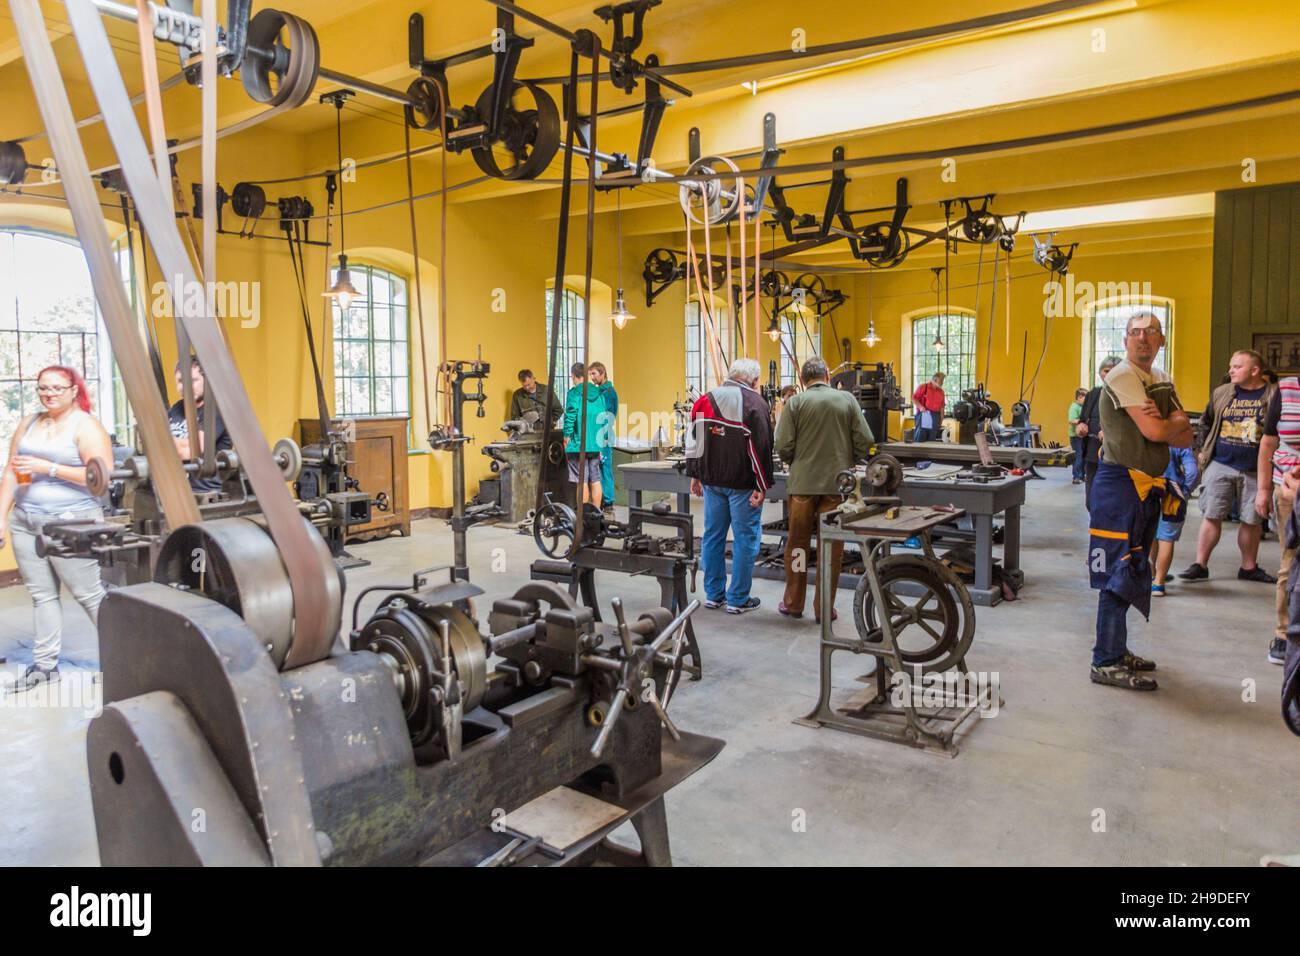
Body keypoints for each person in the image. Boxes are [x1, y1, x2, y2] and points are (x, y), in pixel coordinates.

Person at [1087, 311, 1193, 691]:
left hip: (1148, 485)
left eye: (1151, 332)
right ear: (1125, 340)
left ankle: (1116, 647)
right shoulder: (1123, 376)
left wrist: (1172, 426)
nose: (1143, 339)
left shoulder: (1160, 379)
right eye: (1135, 333)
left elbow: (1186, 438)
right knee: (1116, 573)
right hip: (1120, 486)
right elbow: (1156, 428)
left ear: (1162, 340)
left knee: (1133, 570)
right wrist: (1170, 423)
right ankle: (1105, 660)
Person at [0, 366, 113, 689]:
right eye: (42, 388)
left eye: (56, 388)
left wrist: (48, 467)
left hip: (71, 522)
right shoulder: (29, 423)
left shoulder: (86, 427)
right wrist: (2, 515)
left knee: (89, 594)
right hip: (26, 520)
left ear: (74, 389)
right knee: (42, 595)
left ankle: (119, 664)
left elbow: (99, 479)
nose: (48, 394)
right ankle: (45, 666)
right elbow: (12, 470)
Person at [775, 356, 875, 621]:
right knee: (831, 548)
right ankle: (824, 608)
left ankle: (793, 603)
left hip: (802, 487)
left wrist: (797, 461)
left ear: (803, 380)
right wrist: (847, 459)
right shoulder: (847, 400)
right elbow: (866, 440)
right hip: (836, 485)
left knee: (797, 546)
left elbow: (782, 446)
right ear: (828, 376)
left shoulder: (794, 403)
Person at [1178, 349, 1277, 583]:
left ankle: (1248, 567)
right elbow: (1205, 422)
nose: (1231, 370)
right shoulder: (1223, 392)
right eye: (1231, 366)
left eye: (1237, 367)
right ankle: (1200, 564)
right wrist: (1202, 450)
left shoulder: (1274, 395)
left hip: (1257, 469)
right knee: (1212, 514)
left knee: (1251, 520)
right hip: (1220, 464)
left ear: (1255, 370)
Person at [686, 358, 774, 614]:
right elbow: (762, 448)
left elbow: (693, 442)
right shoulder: (754, 403)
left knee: (713, 536)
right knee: (745, 538)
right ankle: (737, 599)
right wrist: (762, 484)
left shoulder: (704, 399)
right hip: (742, 484)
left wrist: (695, 475)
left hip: (712, 482)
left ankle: (713, 595)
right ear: (754, 380)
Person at [1257, 373, 1300, 665]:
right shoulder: (1286, 389)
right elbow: (1268, 441)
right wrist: (1262, 489)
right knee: (1291, 559)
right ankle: (1285, 634)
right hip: (1288, 489)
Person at [168, 358, 233, 494]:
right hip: (176, 491)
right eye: (180, 381)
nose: (186, 386)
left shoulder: (215, 410)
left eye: (193, 380)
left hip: (205, 494)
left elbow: (190, 452)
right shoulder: (175, 409)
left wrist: (164, 441)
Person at [1150, 443, 1199, 597]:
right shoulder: (1179, 439)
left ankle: (1150, 575)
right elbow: (1193, 472)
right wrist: (1184, 491)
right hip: (1173, 491)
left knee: (1149, 533)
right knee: (1167, 538)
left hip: (1148, 488)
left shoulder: (1147, 432)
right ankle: (1159, 583)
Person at [1078, 355, 1121, 509]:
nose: (1109, 374)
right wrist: (1081, 427)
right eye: (1106, 370)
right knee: (1091, 501)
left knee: (1113, 500)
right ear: (1100, 373)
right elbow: (1083, 419)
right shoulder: (1093, 394)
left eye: (1115, 371)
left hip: (1117, 457)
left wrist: (1110, 434)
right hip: (1092, 455)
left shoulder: (1127, 395)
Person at [562, 362, 605, 508]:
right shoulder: (599, 393)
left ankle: (583, 517)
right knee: (595, 479)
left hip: (578, 444)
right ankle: (596, 514)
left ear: (573, 376)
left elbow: (570, 416)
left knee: (582, 481)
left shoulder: (574, 393)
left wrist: (566, 436)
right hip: (595, 443)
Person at [588, 361, 618, 516]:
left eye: (594, 374)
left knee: (605, 468)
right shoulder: (598, 391)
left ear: (602, 373)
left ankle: (608, 501)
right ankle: (597, 501)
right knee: (595, 468)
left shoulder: (609, 392)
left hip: (604, 436)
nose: (592, 377)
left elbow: (609, 417)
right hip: (595, 435)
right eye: (590, 374)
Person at [911, 371, 945, 443]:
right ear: (935, 379)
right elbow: (914, 398)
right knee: (920, 438)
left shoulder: (941, 391)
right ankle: (917, 453)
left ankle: (930, 453)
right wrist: (920, 406)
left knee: (932, 439)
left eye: (943, 380)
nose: (942, 382)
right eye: (941, 380)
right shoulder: (923, 387)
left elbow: (942, 406)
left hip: (936, 417)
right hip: (924, 414)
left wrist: (941, 419)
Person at [1067, 387, 1087, 484]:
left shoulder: (1082, 407)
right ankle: (1076, 477)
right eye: (1085, 398)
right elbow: (1071, 420)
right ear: (1079, 397)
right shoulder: (1074, 407)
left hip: (1082, 436)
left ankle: (1082, 475)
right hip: (1075, 436)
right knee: (1078, 456)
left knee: (1083, 456)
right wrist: (1082, 422)